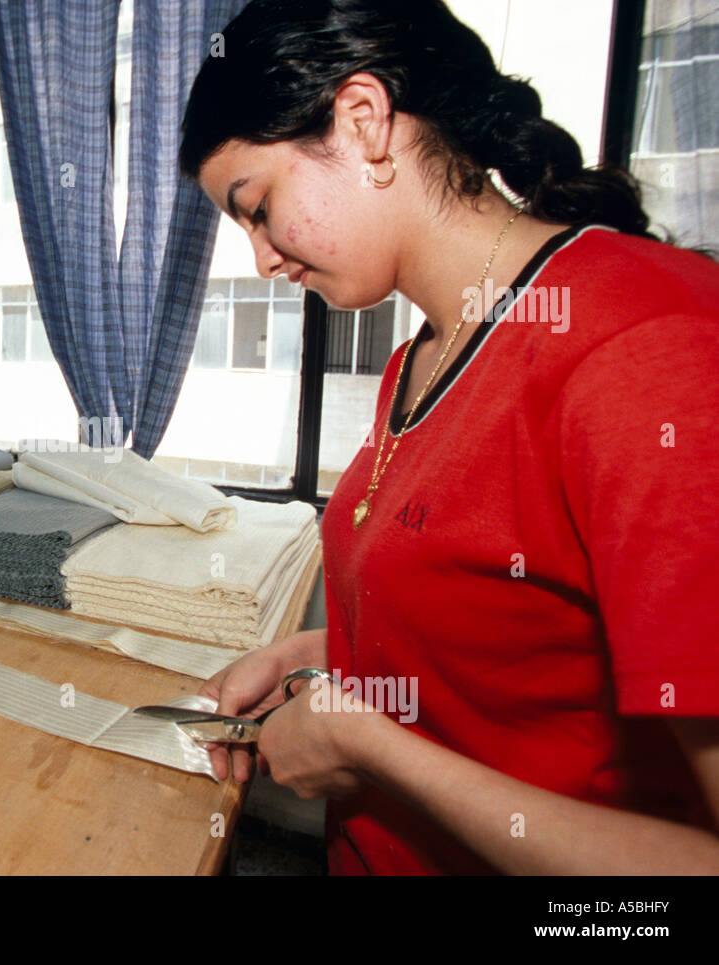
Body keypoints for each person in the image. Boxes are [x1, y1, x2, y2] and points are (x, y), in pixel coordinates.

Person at [180, 0, 719, 874]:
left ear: (363, 120)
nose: (262, 261)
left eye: (260, 206)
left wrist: (371, 746)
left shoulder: (646, 347)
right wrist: (318, 654)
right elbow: (513, 648)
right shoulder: (420, 361)